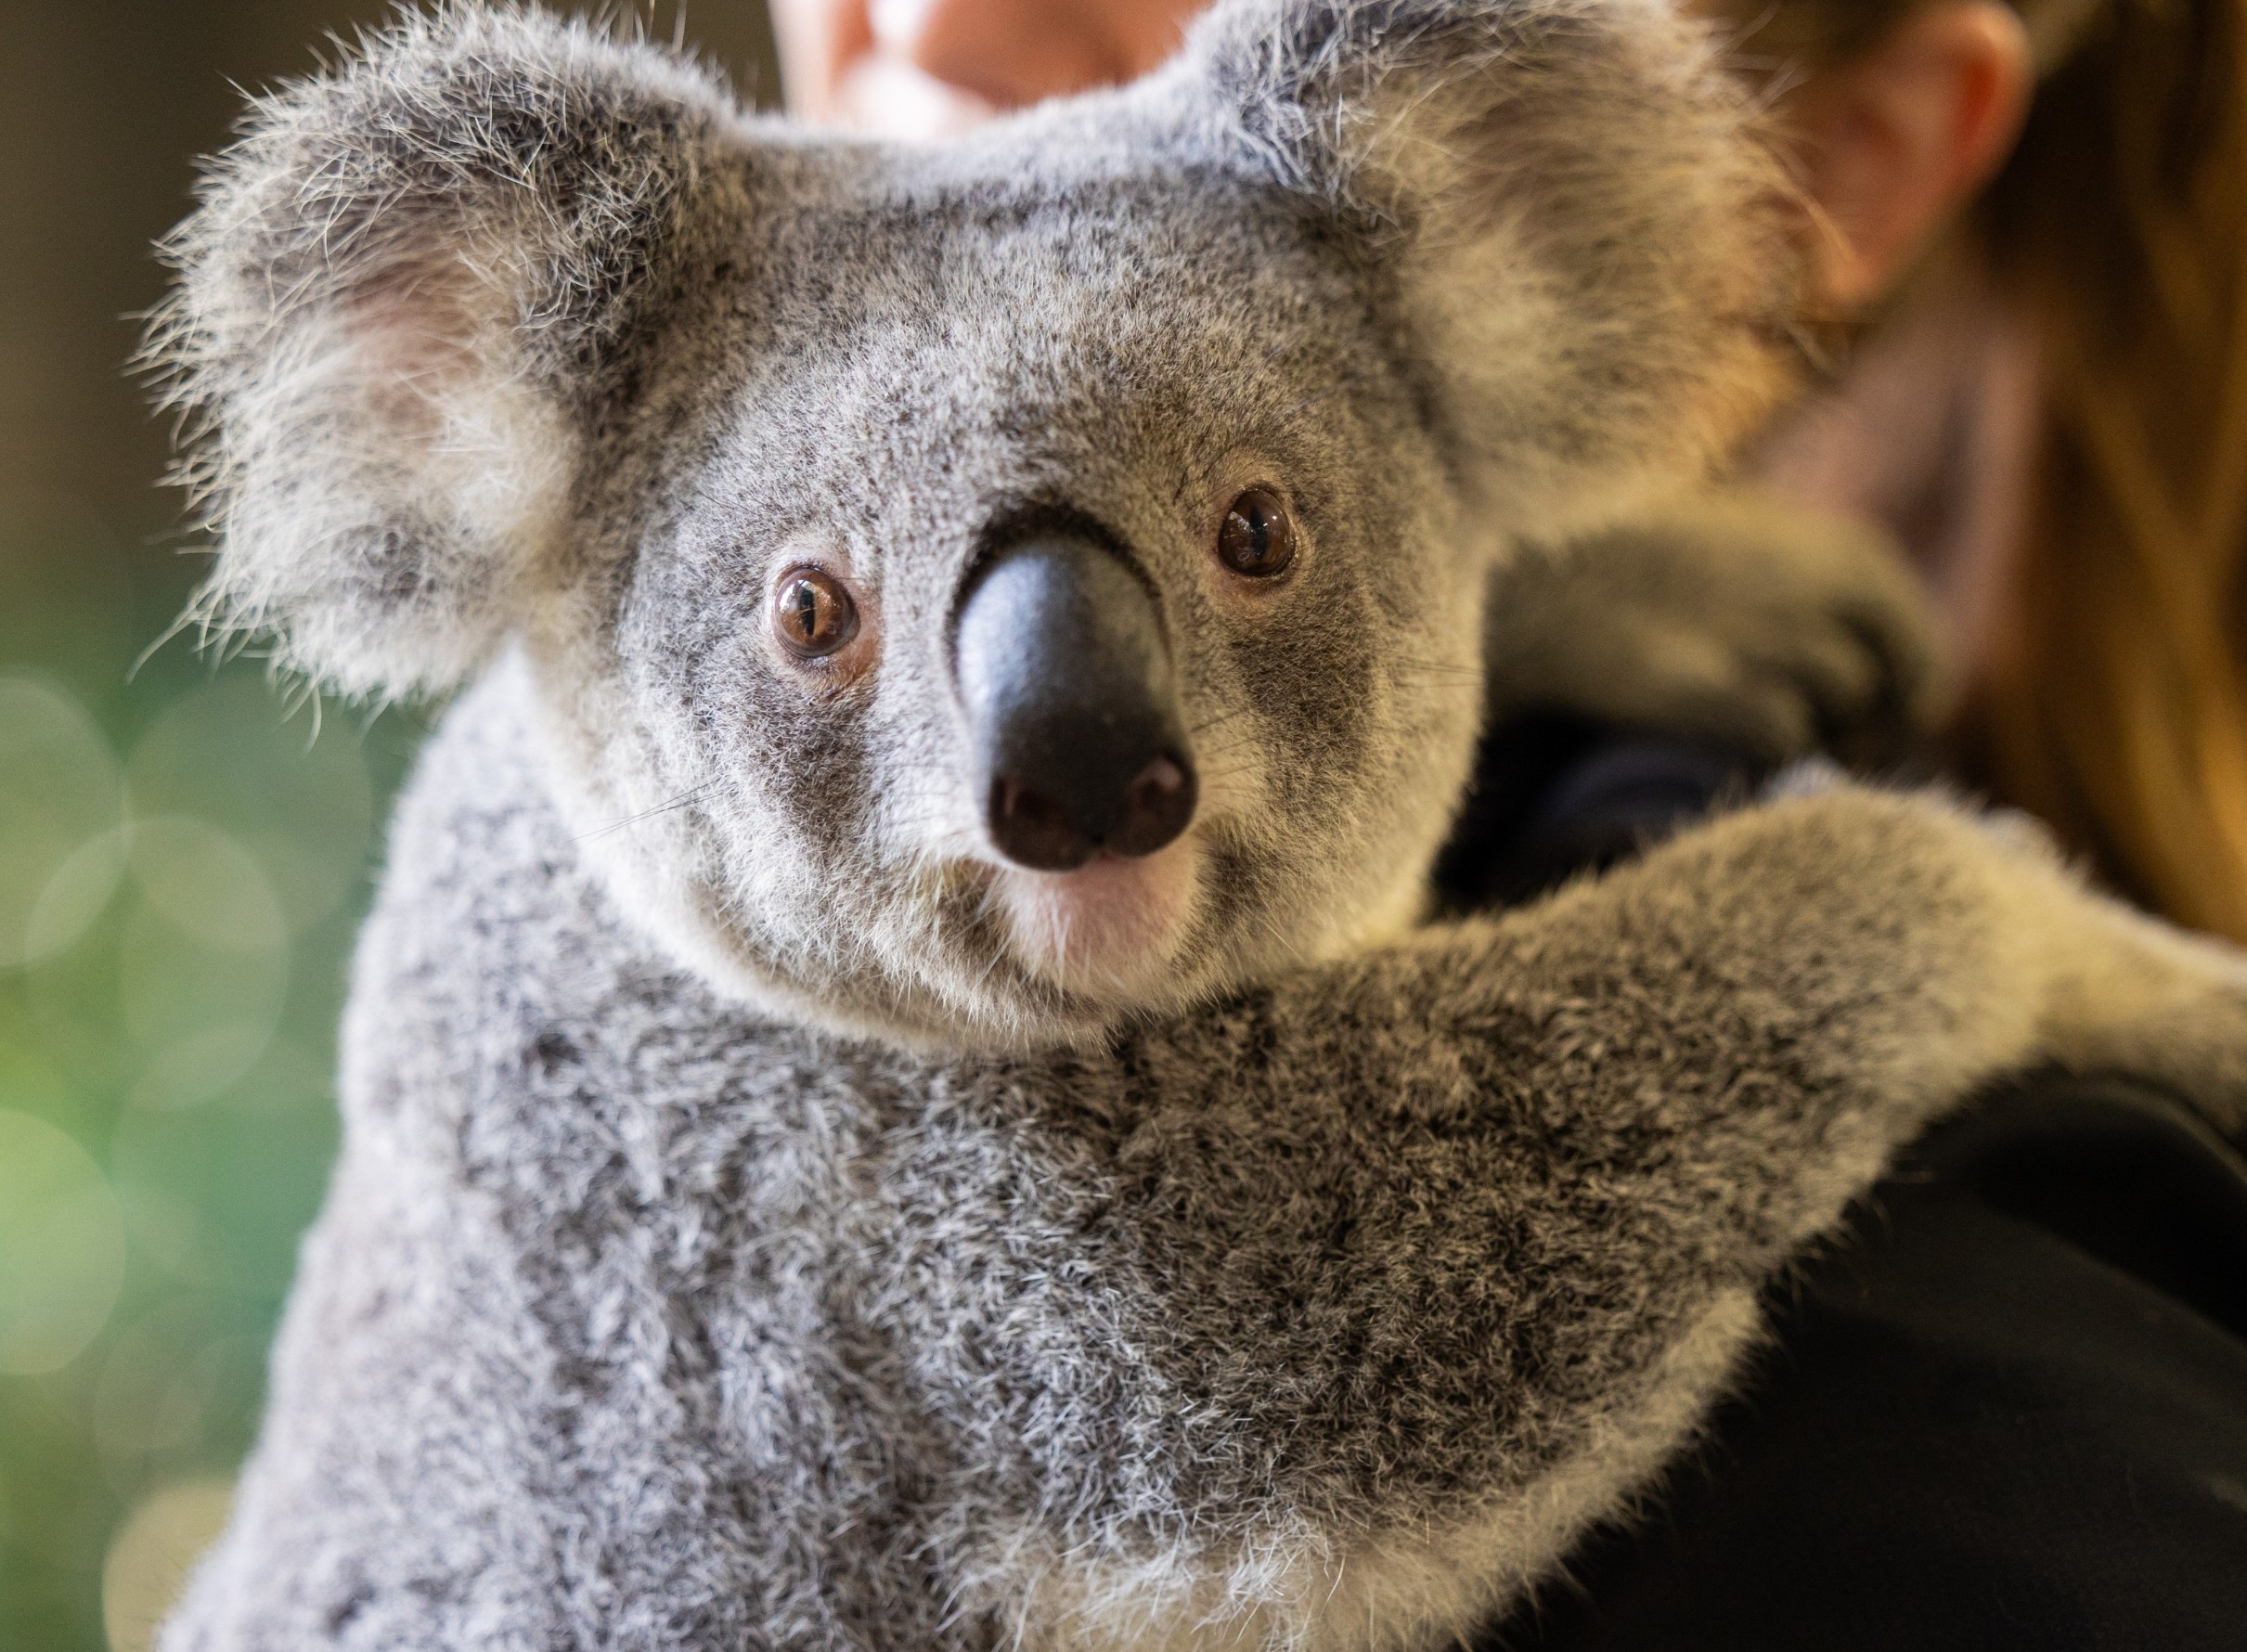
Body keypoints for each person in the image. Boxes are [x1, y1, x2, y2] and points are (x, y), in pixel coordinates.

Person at [767, 2, 2247, 1645]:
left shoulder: (1960, 1453)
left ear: (1808, 178)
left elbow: (1239, 1321)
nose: (933, 18)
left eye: (1258, 534)